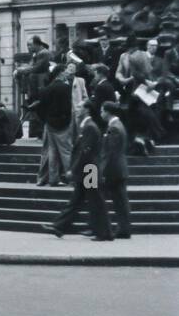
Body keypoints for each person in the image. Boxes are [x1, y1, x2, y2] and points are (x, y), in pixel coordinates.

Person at [46, 107, 113, 241]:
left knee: (95, 200)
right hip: (88, 169)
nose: (77, 109)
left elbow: (85, 151)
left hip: (90, 169)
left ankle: (105, 233)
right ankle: (59, 226)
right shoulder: (88, 126)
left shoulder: (89, 127)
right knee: (77, 199)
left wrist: (73, 169)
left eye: (80, 108)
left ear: (86, 111)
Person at [30, 68, 72, 186]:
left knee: (51, 152)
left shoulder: (45, 89)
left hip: (50, 123)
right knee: (66, 151)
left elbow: (40, 108)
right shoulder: (66, 88)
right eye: (65, 72)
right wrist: (67, 120)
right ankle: (72, 178)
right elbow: (68, 107)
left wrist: (46, 120)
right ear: (60, 73)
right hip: (63, 122)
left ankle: (53, 178)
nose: (67, 74)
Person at [100, 100, 131, 240]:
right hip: (118, 168)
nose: (101, 113)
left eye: (102, 111)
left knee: (119, 201)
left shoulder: (114, 128)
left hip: (115, 170)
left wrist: (103, 172)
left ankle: (122, 229)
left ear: (108, 112)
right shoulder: (117, 125)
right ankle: (123, 228)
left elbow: (110, 153)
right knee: (120, 200)